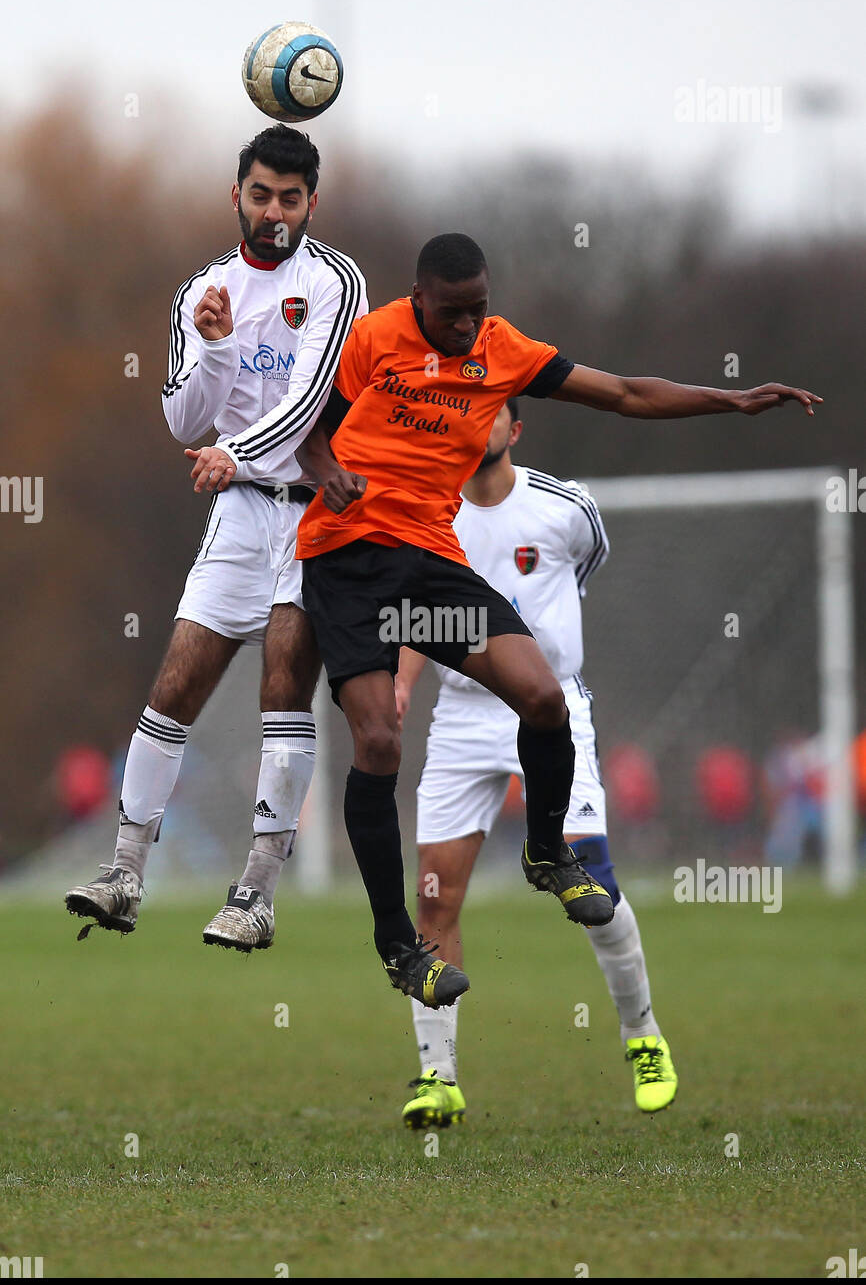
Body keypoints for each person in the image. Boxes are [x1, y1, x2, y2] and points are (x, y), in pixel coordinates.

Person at [298, 231, 821, 1009]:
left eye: (480, 309)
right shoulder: (373, 338)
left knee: (543, 697)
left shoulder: (503, 351)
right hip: (344, 561)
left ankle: (546, 851)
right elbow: (307, 433)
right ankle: (396, 944)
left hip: (427, 565)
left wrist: (730, 399)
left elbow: (624, 393)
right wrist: (328, 472)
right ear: (419, 300)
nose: (469, 326)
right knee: (377, 742)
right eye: (453, 314)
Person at [64, 125, 368, 951]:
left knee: (283, 685)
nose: (275, 212)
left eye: (291, 198)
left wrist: (234, 449)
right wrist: (220, 345)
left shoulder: (335, 281)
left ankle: (258, 891)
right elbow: (182, 419)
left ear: (313, 201)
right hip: (240, 510)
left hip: (315, 511)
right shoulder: (202, 290)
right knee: (175, 684)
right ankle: (125, 872)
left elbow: (310, 403)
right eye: (261, 194)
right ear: (235, 195)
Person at [394, 400, 676, 1125]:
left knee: (591, 882)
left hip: (552, 708)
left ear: (514, 430)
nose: (479, 422)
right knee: (433, 896)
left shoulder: (566, 509)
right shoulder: (430, 515)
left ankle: (641, 1033)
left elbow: (580, 576)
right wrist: (399, 683)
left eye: (495, 413)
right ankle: (438, 1078)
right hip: (461, 716)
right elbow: (417, 614)